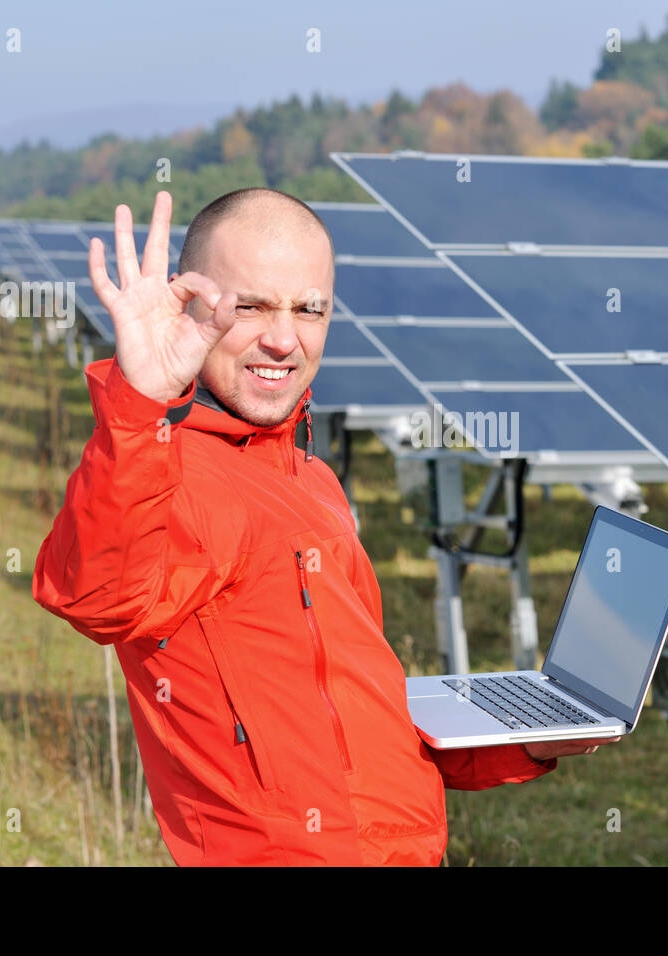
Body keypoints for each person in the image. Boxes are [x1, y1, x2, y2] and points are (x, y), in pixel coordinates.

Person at [33, 188, 619, 866]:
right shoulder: (173, 476)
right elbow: (98, 598)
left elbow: (361, 720)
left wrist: (525, 739)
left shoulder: (312, 482)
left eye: (309, 309)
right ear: (189, 304)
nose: (284, 338)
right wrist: (141, 404)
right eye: (249, 306)